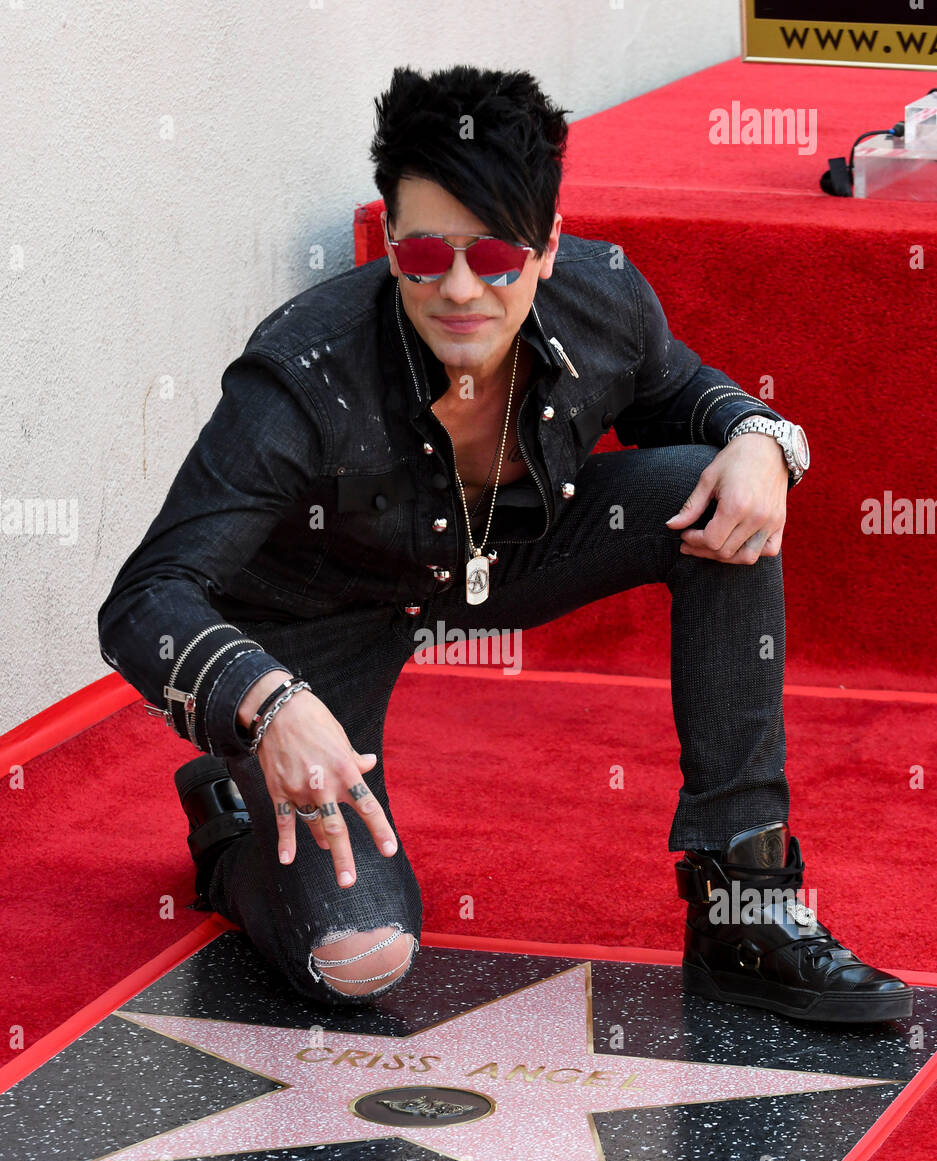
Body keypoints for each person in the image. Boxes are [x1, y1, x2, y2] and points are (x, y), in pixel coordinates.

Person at [97, 64, 911, 1023]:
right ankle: (235, 831)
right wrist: (265, 705)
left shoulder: (604, 301)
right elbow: (144, 599)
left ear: (548, 246)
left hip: (502, 556)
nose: (456, 291)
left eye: (492, 260)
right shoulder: (304, 373)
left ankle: (746, 906)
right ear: (390, 240)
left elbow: (689, 395)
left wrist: (759, 439)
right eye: (421, 255)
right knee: (364, 960)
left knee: (721, 500)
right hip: (314, 623)